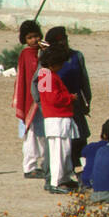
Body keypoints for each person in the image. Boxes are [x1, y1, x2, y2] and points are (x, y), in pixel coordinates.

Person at [45, 26, 92, 175]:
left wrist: (87, 100)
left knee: (81, 136)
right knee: (63, 142)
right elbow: (42, 90)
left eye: (65, 40)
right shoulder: (47, 63)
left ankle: (81, 170)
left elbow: (84, 80)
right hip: (58, 108)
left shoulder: (77, 56)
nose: (63, 44)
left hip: (76, 104)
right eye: (59, 42)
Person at [36, 44, 78, 193]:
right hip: (56, 118)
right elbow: (52, 98)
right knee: (58, 152)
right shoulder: (46, 75)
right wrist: (70, 98)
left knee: (64, 151)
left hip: (58, 117)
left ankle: (64, 178)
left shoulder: (45, 74)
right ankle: (56, 182)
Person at [13, 20, 48, 180]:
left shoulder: (40, 52)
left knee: (42, 134)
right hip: (31, 101)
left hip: (40, 100)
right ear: (24, 40)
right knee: (31, 135)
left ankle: (44, 164)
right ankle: (30, 167)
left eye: (36, 36)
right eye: (30, 38)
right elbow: (34, 75)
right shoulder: (27, 55)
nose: (34, 40)